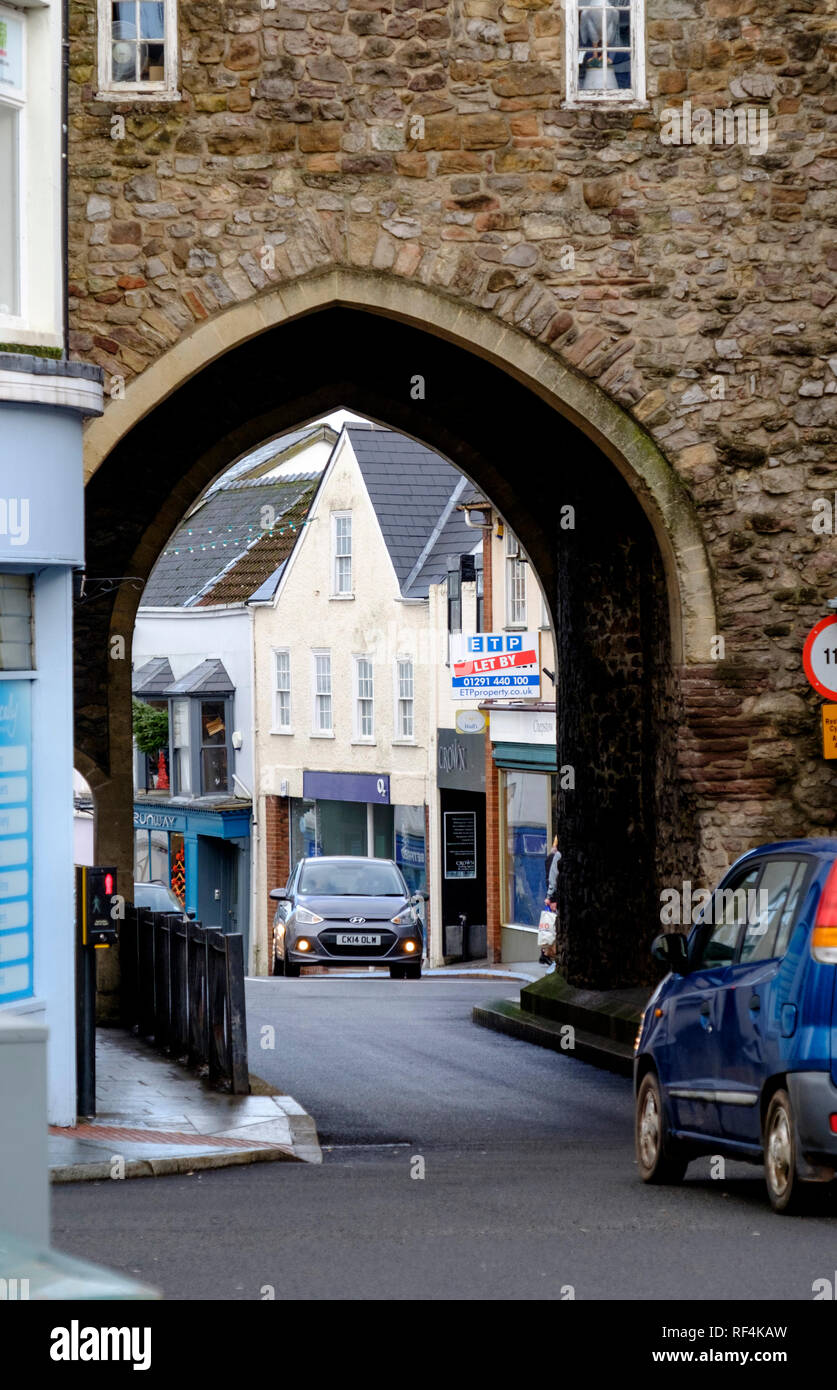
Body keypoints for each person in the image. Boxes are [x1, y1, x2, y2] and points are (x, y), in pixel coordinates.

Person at [540, 834, 560, 965]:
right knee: (553, 926)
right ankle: (547, 953)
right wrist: (550, 897)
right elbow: (552, 879)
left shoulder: (550, 857)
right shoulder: (556, 857)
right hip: (554, 897)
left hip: (552, 896)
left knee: (550, 926)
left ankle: (545, 953)